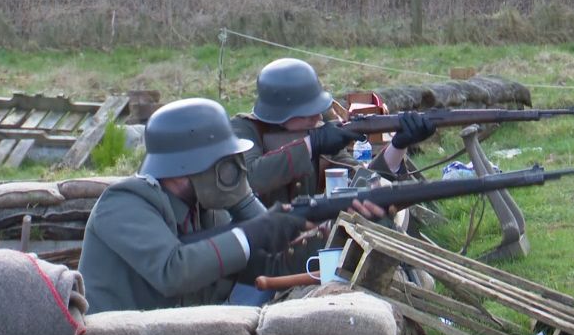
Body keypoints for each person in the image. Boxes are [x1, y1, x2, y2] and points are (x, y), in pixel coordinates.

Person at [79, 98, 382, 313]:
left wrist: (333, 230)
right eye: (226, 161)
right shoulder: (125, 203)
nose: (237, 167)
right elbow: (174, 271)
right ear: (190, 165)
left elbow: (265, 262)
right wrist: (252, 229)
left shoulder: (207, 207)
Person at [232, 58, 437, 206]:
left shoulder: (321, 129)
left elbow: (364, 181)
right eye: (307, 113)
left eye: (318, 110)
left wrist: (398, 146)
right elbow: (250, 180)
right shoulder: (244, 129)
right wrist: (311, 145)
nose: (318, 117)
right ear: (280, 114)